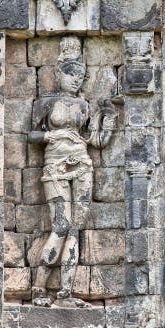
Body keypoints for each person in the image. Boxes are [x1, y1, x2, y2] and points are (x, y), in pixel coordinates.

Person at [28, 36, 116, 308]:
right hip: (55, 165)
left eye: (81, 76)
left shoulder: (84, 106)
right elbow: (32, 135)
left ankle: (66, 292)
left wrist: (108, 117)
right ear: (59, 74)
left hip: (82, 163)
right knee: (61, 225)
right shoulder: (46, 102)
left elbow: (97, 141)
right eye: (72, 75)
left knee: (75, 228)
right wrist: (52, 137)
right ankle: (39, 288)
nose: (77, 80)